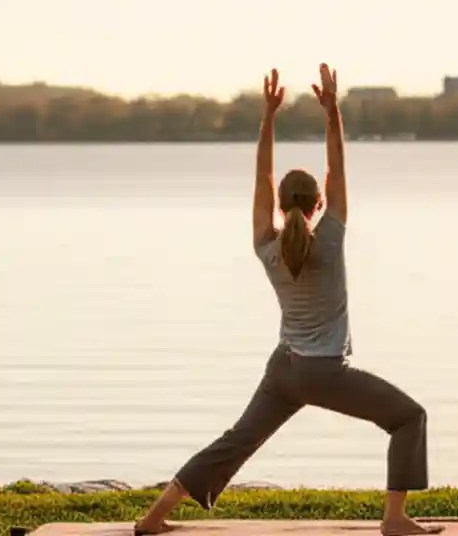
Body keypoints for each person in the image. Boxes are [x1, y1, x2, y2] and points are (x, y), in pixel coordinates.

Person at [133, 64, 442, 536]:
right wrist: (331, 110)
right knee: (408, 418)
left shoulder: (265, 244)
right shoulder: (331, 239)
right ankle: (394, 519)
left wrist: (268, 116)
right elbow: (338, 167)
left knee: (236, 442)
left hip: (284, 370)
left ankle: (153, 518)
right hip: (324, 372)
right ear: (318, 205)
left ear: (279, 206)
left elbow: (263, 174)